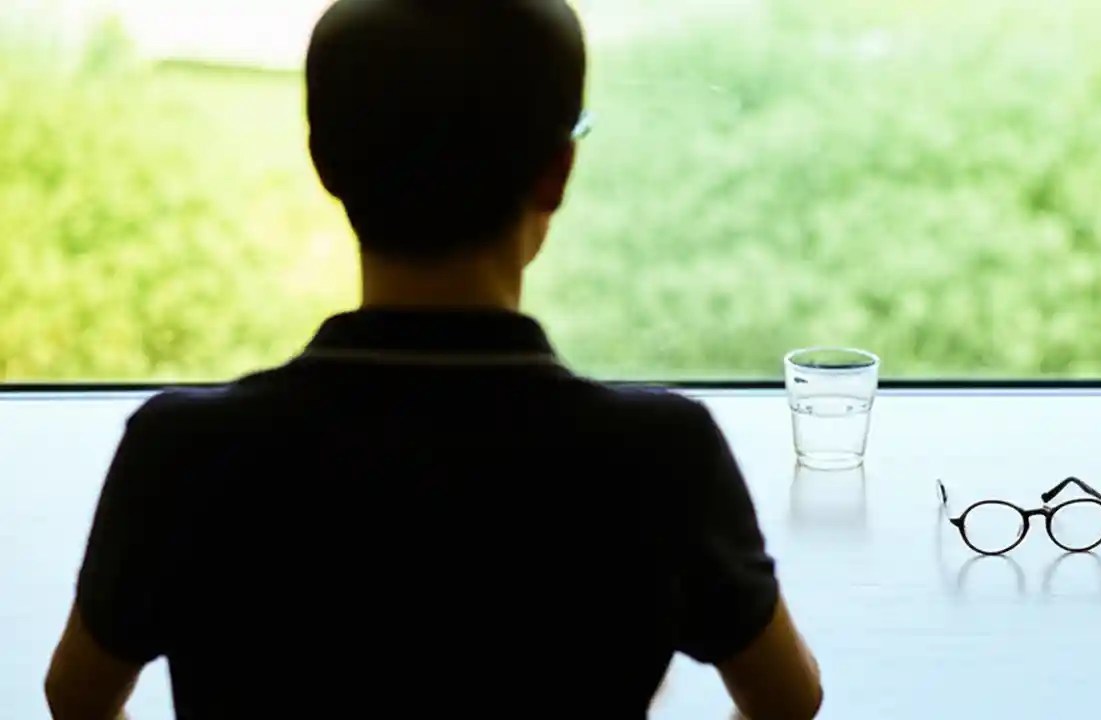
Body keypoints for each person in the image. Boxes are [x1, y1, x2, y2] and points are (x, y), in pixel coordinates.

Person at [44, 1, 822, 718]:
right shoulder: (663, 455)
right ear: (558, 172)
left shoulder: (180, 453)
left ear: (325, 165)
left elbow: (75, 698)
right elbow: (789, 699)